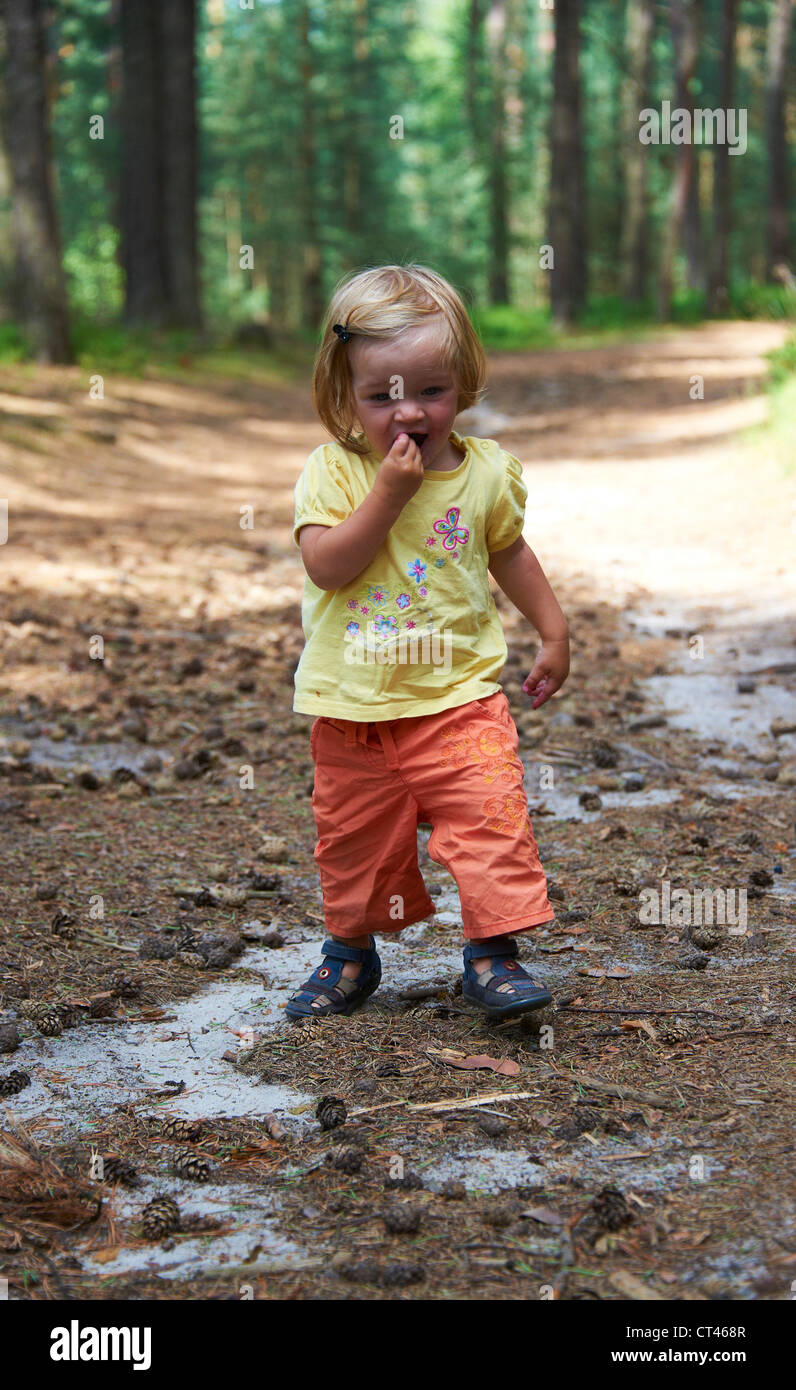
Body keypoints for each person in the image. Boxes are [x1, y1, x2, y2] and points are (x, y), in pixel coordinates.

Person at [287, 263, 570, 1021]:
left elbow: (509, 551)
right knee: (356, 845)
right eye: (382, 397)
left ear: (465, 384)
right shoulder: (337, 472)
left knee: (490, 819)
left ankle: (493, 956)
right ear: (345, 394)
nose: (407, 413)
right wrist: (388, 493)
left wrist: (553, 627)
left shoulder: (486, 474)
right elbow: (328, 564)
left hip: (460, 700)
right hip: (356, 710)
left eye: (431, 392)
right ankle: (349, 955)